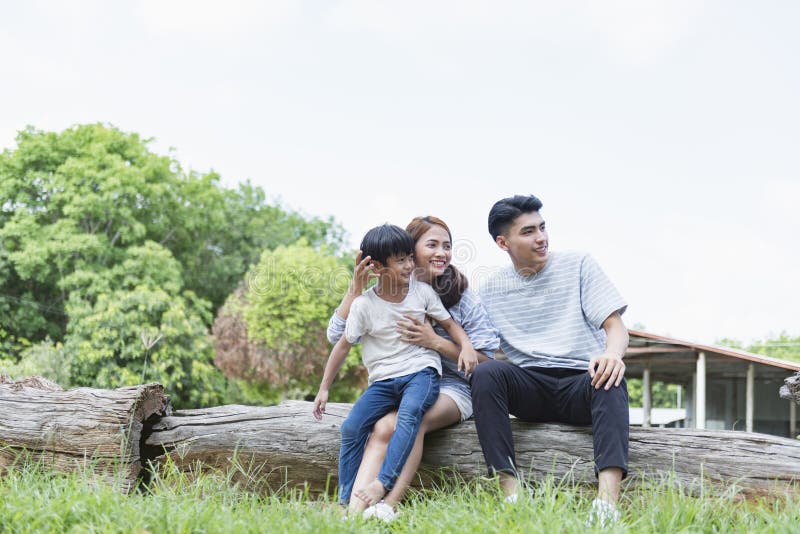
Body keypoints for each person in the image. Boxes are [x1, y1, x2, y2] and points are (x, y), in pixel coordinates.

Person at [327, 216, 499, 520]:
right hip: (405, 381)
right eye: (432, 245)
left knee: (413, 420)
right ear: (409, 250)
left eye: (447, 246)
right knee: (382, 427)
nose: (442, 253)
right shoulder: (387, 291)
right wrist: (355, 289)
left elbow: (487, 363)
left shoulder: (461, 297)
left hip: (455, 386)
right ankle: (352, 513)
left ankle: (387, 505)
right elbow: (336, 337)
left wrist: (436, 342)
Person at [472, 194, 629, 526]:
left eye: (542, 227)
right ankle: (512, 497)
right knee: (487, 374)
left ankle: (606, 505)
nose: (541, 237)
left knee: (610, 374)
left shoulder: (579, 264)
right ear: (503, 242)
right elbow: (475, 351)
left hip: (581, 382)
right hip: (530, 387)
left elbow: (615, 327)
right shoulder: (490, 290)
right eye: (528, 231)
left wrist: (612, 354)